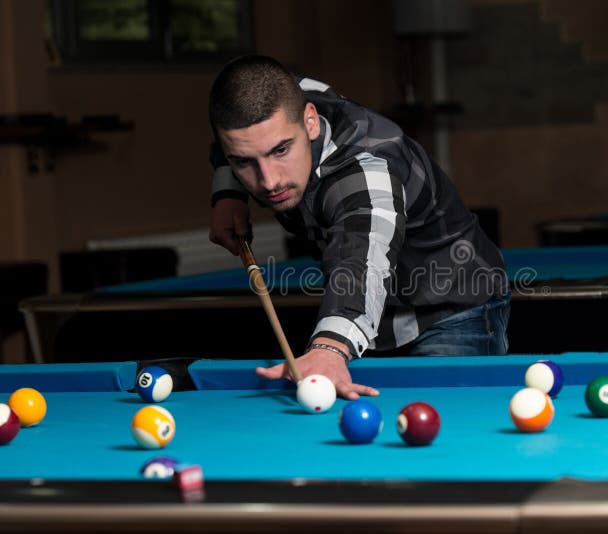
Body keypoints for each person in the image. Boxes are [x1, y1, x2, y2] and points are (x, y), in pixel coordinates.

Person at [207, 55, 509, 400]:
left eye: (281, 150)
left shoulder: (367, 173)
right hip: (377, 319)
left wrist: (331, 347)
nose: (269, 181)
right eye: (244, 162)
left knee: (442, 430)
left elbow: (360, 260)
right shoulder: (287, 101)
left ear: (310, 122)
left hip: (452, 307)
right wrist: (227, 192)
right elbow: (233, 129)